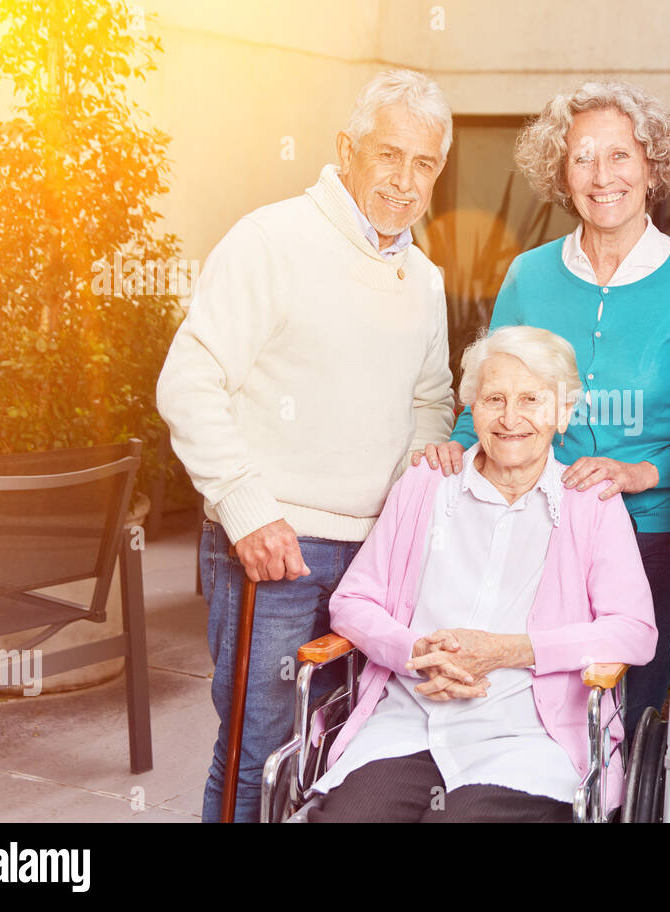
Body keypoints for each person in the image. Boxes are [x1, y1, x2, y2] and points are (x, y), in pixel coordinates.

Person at [156, 69, 456, 823]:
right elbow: (189, 382)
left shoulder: (424, 278)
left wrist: (406, 518)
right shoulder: (271, 239)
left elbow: (431, 401)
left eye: (424, 164)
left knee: (340, 756)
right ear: (346, 150)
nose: (404, 180)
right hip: (274, 549)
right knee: (260, 753)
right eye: (389, 155)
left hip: (375, 561)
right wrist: (248, 511)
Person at [416, 81, 670, 727]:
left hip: (655, 538)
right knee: (541, 707)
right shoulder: (528, 275)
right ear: (562, 173)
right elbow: (487, 395)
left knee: (638, 715)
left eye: (620, 155)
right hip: (541, 527)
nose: (603, 176)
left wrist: (647, 473)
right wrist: (453, 449)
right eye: (582, 157)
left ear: (652, 167)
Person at [306, 326, 657, 822]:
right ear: (471, 408)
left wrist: (509, 650)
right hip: (410, 724)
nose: (511, 418)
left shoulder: (591, 503)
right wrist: (414, 653)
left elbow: (635, 632)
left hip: (527, 741)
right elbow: (353, 601)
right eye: (494, 399)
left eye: (531, 399)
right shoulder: (428, 483)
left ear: (562, 414)